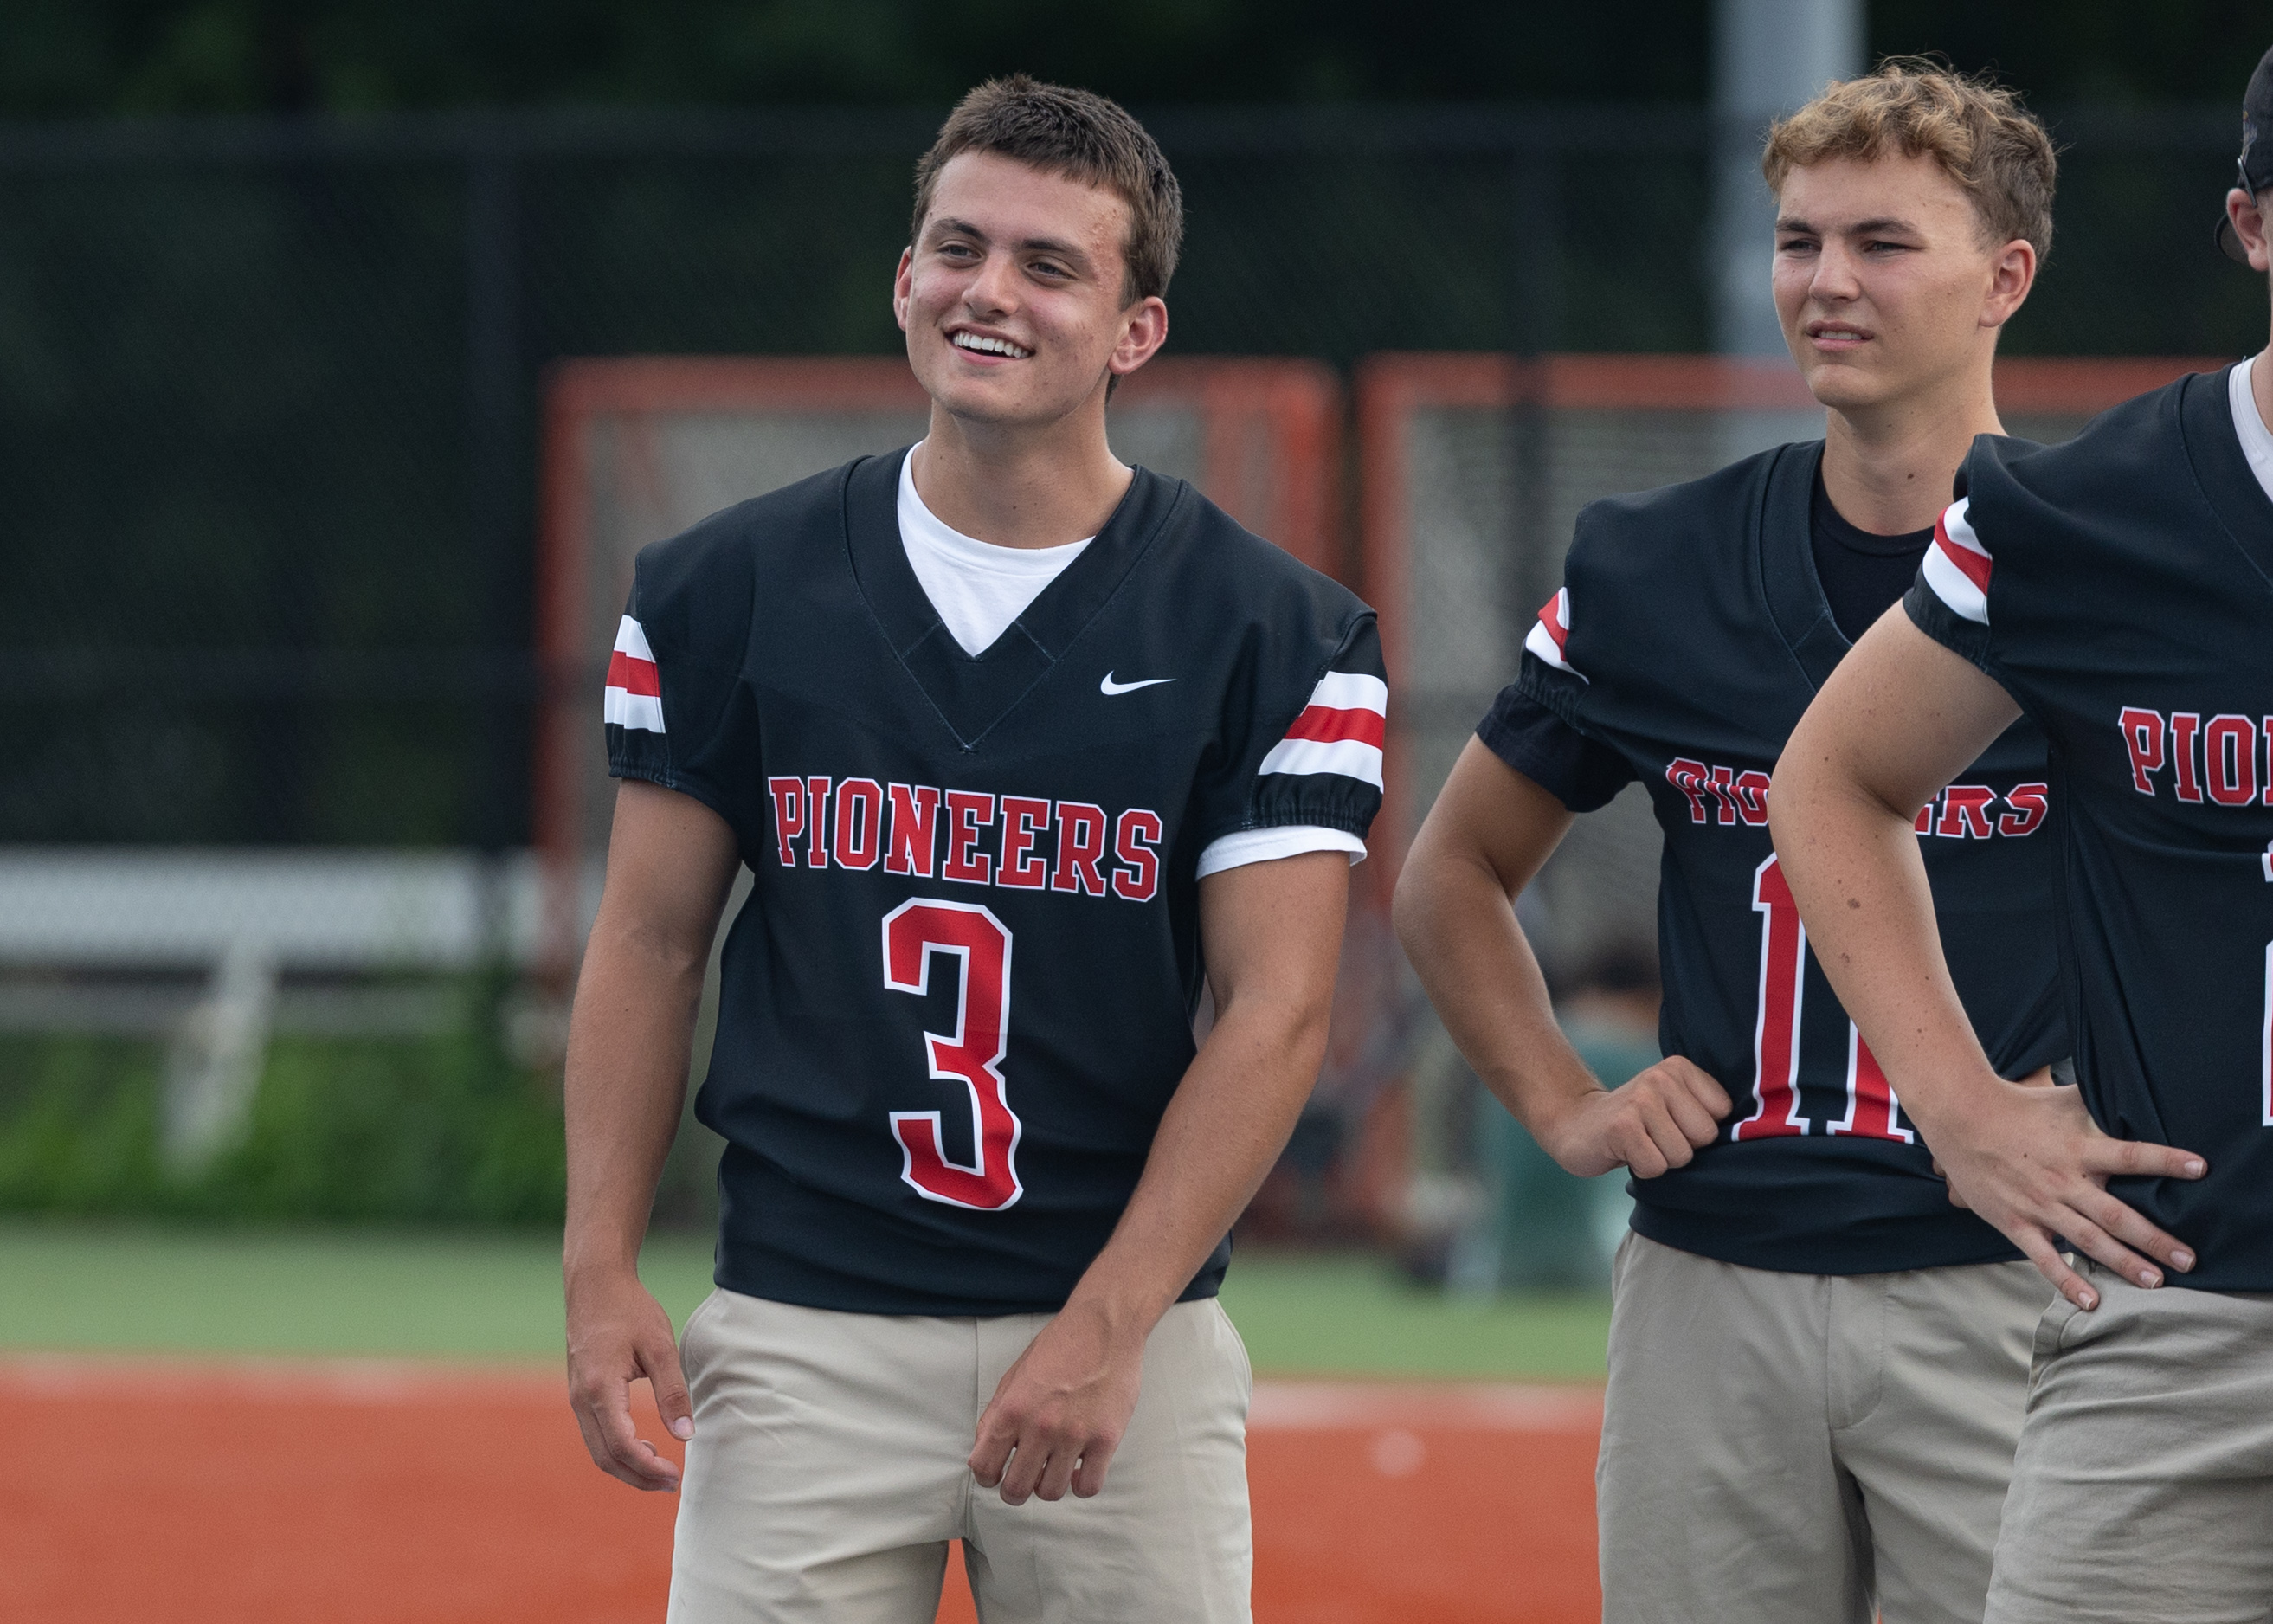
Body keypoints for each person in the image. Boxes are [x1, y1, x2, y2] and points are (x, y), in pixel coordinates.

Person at [560, 76, 1387, 1624]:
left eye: (1047, 265)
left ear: (1135, 330)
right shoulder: (720, 587)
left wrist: (1109, 1323)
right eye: (958, 248)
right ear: (903, 279)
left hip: (1122, 1329)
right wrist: (597, 1262)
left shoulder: (1273, 630)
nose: (988, 292)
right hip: (803, 1324)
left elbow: (1274, 1012)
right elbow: (650, 940)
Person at [1394, 62, 2066, 1624]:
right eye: (1797, 241)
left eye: (1881, 243)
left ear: (2003, 278)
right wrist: (1563, 1103)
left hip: (2009, 1277)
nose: (1826, 281)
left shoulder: (2103, 559)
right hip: (1712, 1275)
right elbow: (1451, 873)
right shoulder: (1656, 564)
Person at [1770, 44, 2273, 1624]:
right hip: (2181, 1332)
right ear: (2252, 224)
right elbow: (1832, 779)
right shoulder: (2086, 513)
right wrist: (1959, 1107)